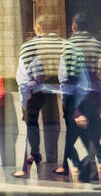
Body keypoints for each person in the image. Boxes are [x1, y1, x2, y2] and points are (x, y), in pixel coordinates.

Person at [59, 12, 101, 185]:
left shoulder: (68, 45)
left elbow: (64, 76)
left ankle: (81, 168)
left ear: (74, 26)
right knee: (92, 136)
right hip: (94, 97)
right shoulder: (98, 46)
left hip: (75, 98)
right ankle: (92, 171)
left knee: (73, 136)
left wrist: (67, 102)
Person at [13, 18, 65, 177]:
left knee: (32, 123)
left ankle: (36, 153)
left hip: (34, 92)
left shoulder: (30, 51)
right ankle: (50, 156)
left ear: (37, 28)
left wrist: (24, 98)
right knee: (49, 124)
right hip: (50, 92)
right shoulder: (62, 46)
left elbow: (29, 78)